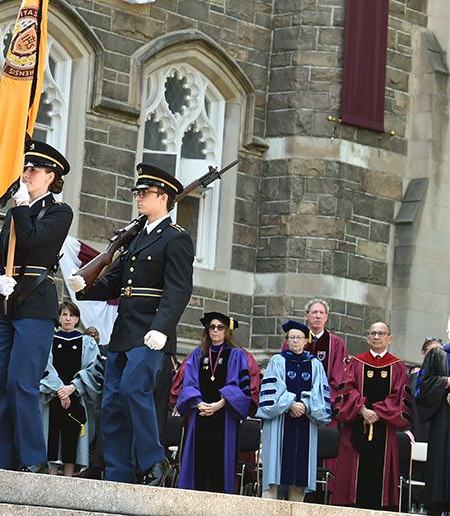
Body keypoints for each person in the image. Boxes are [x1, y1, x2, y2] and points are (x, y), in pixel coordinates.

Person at [66, 163, 194, 485]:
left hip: (151, 331)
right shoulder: (136, 238)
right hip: (124, 330)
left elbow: (179, 289)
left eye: (144, 193)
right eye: (137, 192)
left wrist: (162, 328)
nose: (138, 197)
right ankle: (118, 472)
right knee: (111, 403)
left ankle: (155, 459)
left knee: (134, 389)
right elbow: (116, 282)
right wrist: (87, 287)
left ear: (162, 197)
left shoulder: (176, 239)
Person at [0, 139, 74, 472]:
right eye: (25, 168)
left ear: (50, 177)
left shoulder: (60, 212)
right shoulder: (14, 212)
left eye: (33, 170)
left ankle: (32, 459)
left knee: (21, 381)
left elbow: (35, 239)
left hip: (35, 302)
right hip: (3, 303)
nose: (26, 174)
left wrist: (20, 208)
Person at [331, 321, 411, 510]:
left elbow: (401, 397)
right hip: (356, 427)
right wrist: (361, 409)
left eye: (381, 333)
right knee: (352, 479)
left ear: (389, 338)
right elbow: (346, 390)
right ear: (367, 337)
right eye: (373, 333)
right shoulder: (356, 363)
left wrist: (378, 411)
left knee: (379, 481)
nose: (376, 336)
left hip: (384, 429)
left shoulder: (398, 366)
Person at [175, 312, 251, 493]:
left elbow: (241, 387)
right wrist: (198, 403)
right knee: (198, 461)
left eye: (220, 327)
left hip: (224, 414)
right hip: (199, 413)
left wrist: (220, 404)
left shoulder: (236, 355)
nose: (216, 330)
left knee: (220, 463)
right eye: (212, 327)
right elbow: (188, 383)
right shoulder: (197, 355)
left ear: (227, 331)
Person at [258, 320, 332, 501]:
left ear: (306, 340)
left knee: (300, 477)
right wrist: (290, 403)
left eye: (299, 337)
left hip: (305, 422)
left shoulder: (315, 364)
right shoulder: (277, 361)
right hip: (279, 422)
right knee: (274, 476)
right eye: (291, 337)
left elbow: (320, 392)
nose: (295, 341)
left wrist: (305, 405)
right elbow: (271, 390)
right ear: (287, 340)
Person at [40, 301, 103, 476]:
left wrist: (72, 387)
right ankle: (50, 476)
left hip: (77, 396)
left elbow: (93, 369)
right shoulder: (49, 340)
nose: (67, 319)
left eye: (71, 315)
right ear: (59, 318)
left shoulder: (88, 342)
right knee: (53, 435)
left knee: (72, 435)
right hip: (54, 395)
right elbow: (44, 366)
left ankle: (69, 478)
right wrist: (59, 388)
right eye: (64, 315)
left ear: (77, 319)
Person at [280, 299, 349, 421]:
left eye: (321, 313)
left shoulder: (336, 343)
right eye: (314, 312)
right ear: (306, 316)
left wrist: (321, 401)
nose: (318, 316)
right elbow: (281, 372)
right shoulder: (293, 340)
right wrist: (291, 403)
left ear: (326, 317)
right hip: (293, 407)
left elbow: (339, 377)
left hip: (322, 406)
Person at [417, 321, 450, 513]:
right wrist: (445, 381)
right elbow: (422, 387)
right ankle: (437, 506)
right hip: (444, 419)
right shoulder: (438, 355)